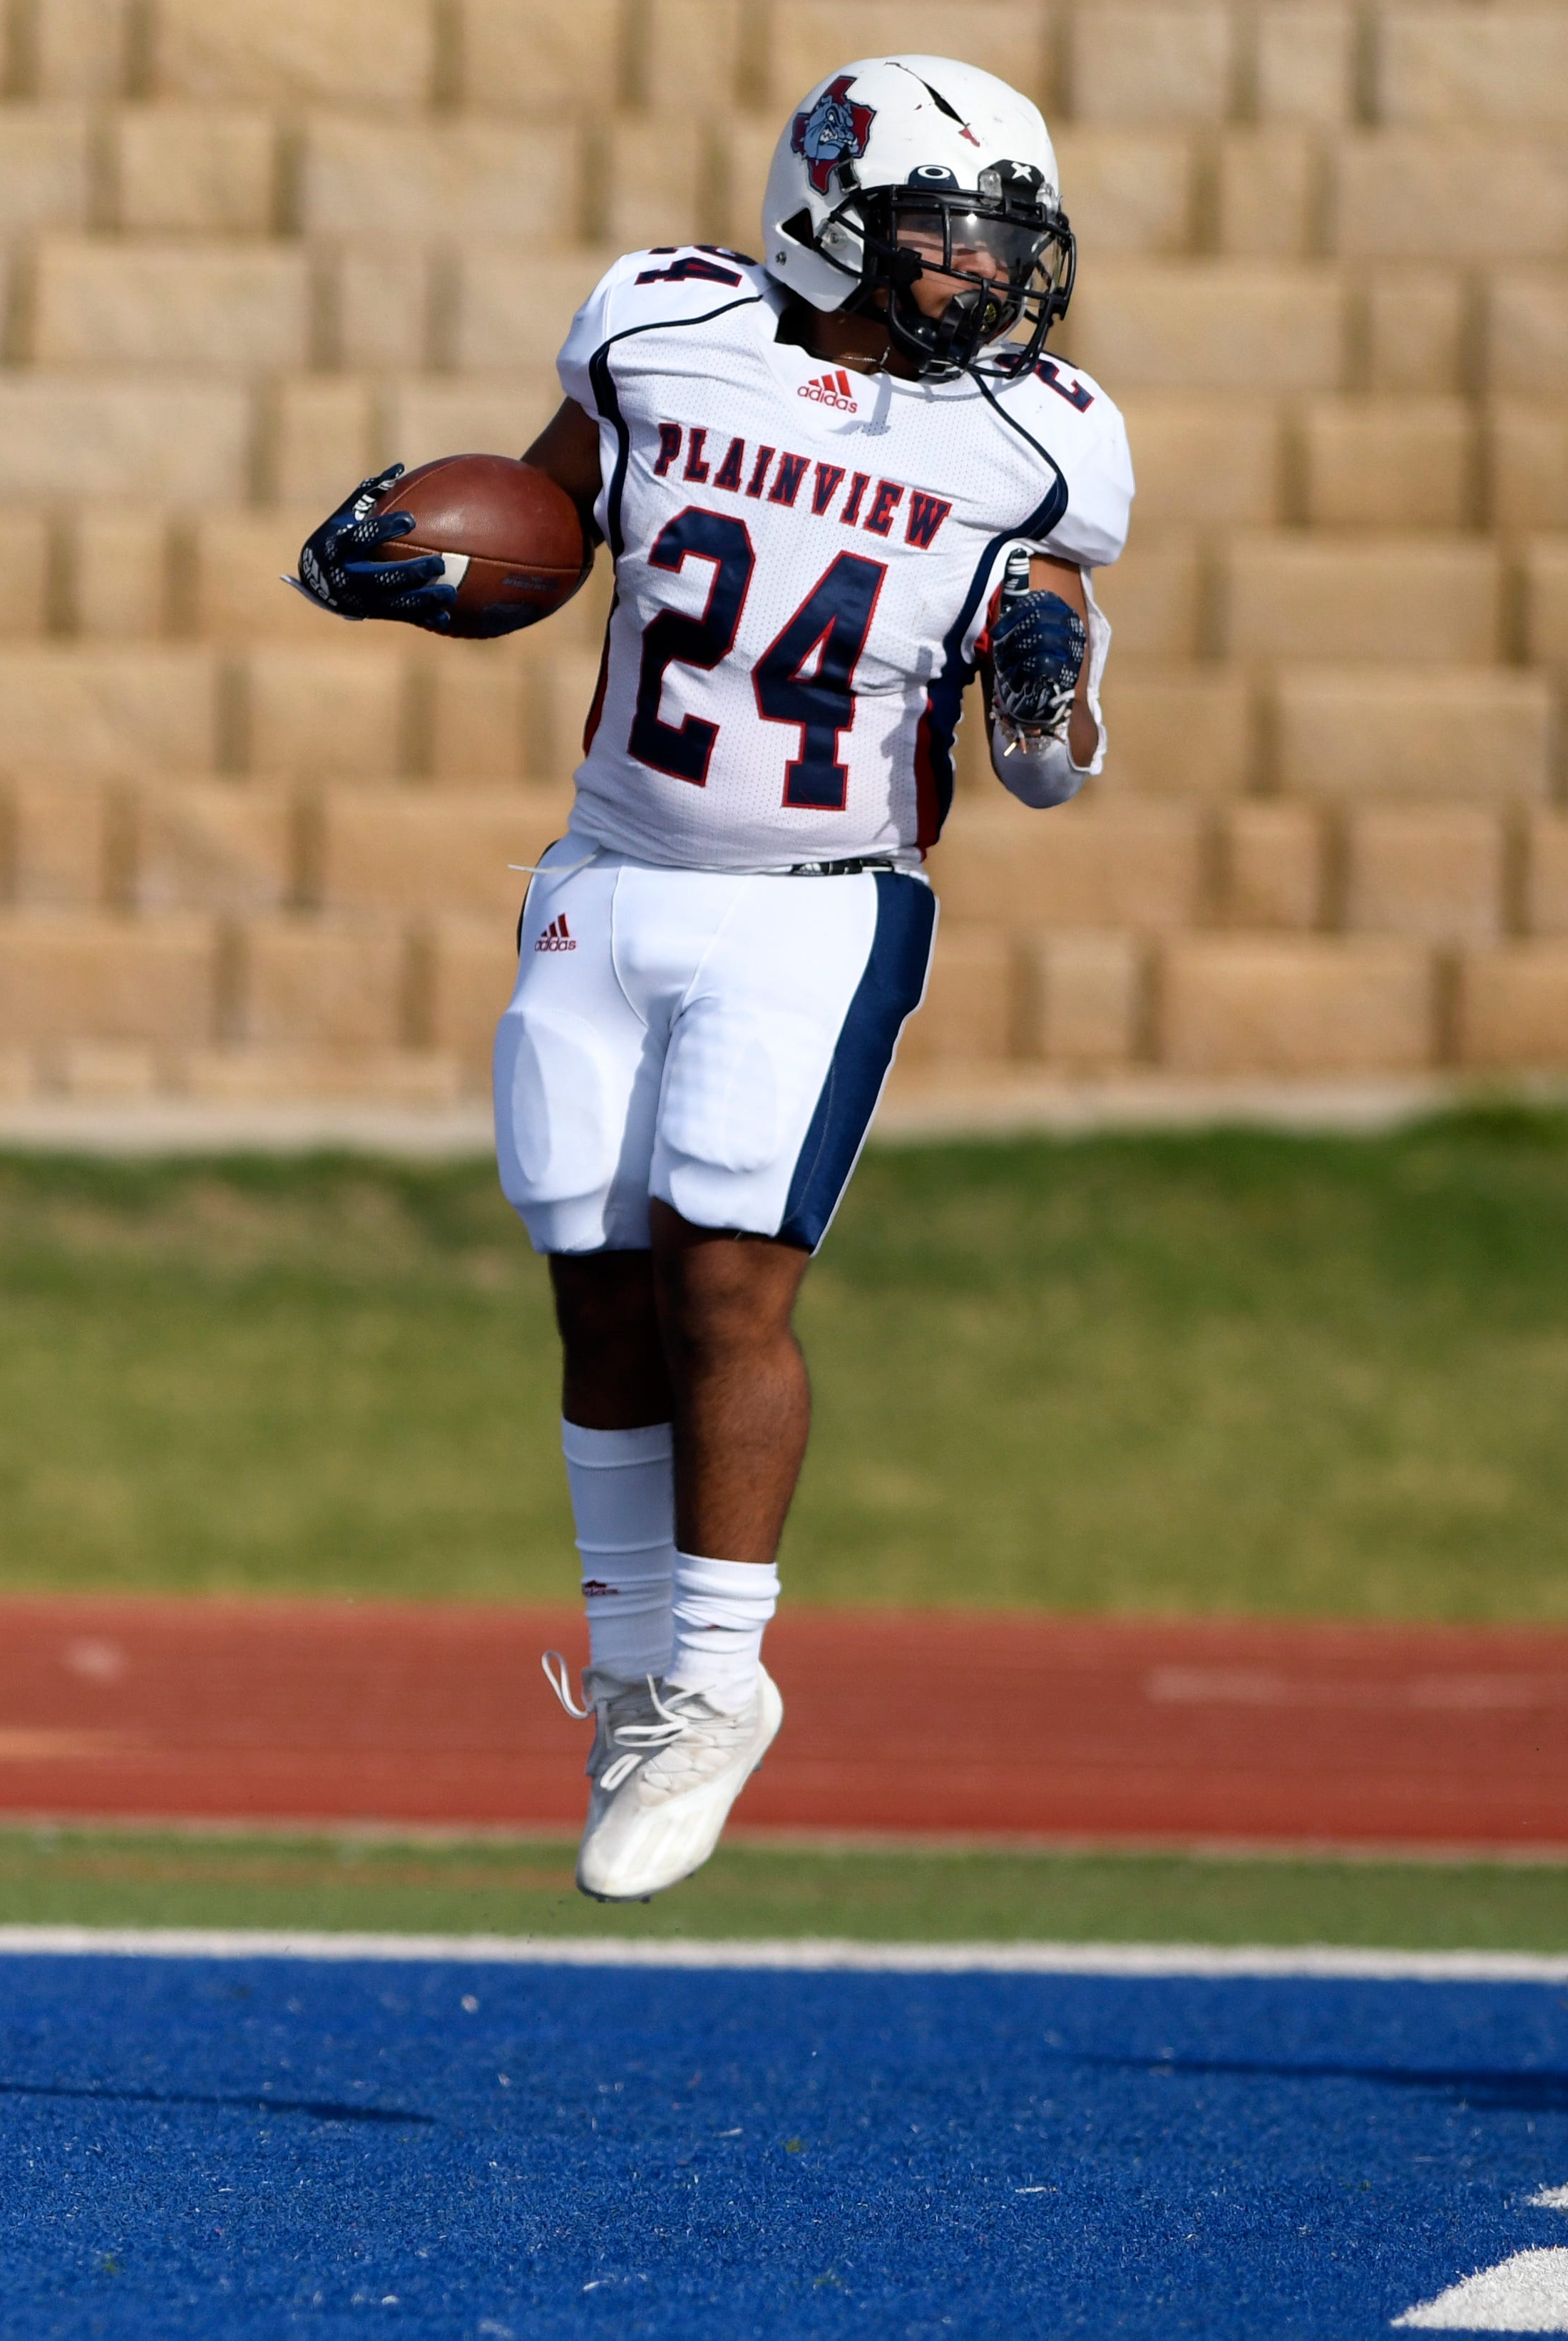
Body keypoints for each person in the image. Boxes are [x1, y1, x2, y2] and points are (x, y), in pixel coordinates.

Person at [289, 56, 1133, 1900]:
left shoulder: (1041, 441)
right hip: (608, 870)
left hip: (817, 900)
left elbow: (1052, 760)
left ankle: (720, 1675)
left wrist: (1047, 692)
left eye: (1008, 250)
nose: (987, 283)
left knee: (727, 1277)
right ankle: (635, 1667)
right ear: (830, 211)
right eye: (948, 241)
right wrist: (432, 556)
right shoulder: (666, 327)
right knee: (597, 1280)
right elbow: (550, 514)